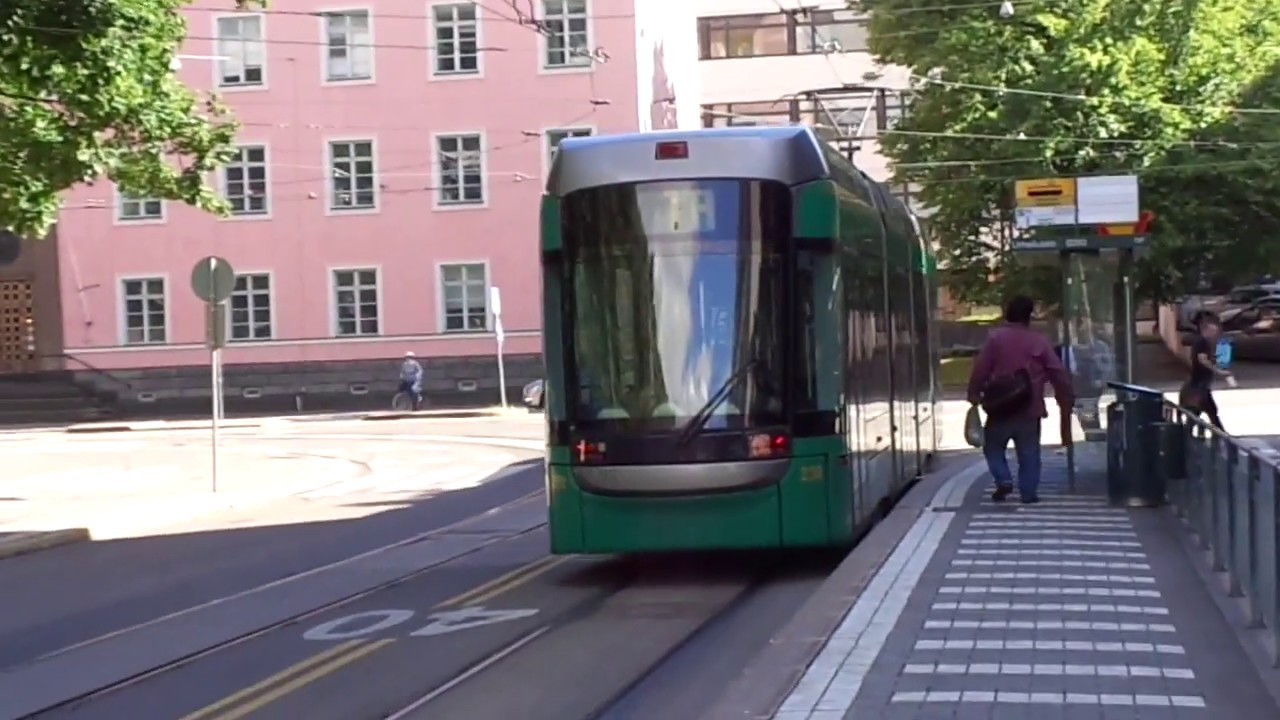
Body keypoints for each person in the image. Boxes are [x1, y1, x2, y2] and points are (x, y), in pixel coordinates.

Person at [967, 296, 1076, 504]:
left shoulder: (995, 339)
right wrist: (1065, 395)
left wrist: (974, 393)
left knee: (993, 447)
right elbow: (1056, 371)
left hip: (1000, 407)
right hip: (1030, 406)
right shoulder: (1038, 341)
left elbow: (981, 369)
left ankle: (1003, 478)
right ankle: (1028, 493)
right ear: (1029, 316)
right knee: (1029, 453)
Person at [1180, 312, 1235, 430]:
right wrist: (1218, 371)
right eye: (1213, 331)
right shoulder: (1202, 342)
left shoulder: (1202, 342)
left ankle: (1188, 433)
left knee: (1200, 412)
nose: (1215, 334)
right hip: (1199, 385)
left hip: (1198, 385)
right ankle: (1222, 435)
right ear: (1205, 330)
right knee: (1209, 411)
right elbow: (1202, 360)